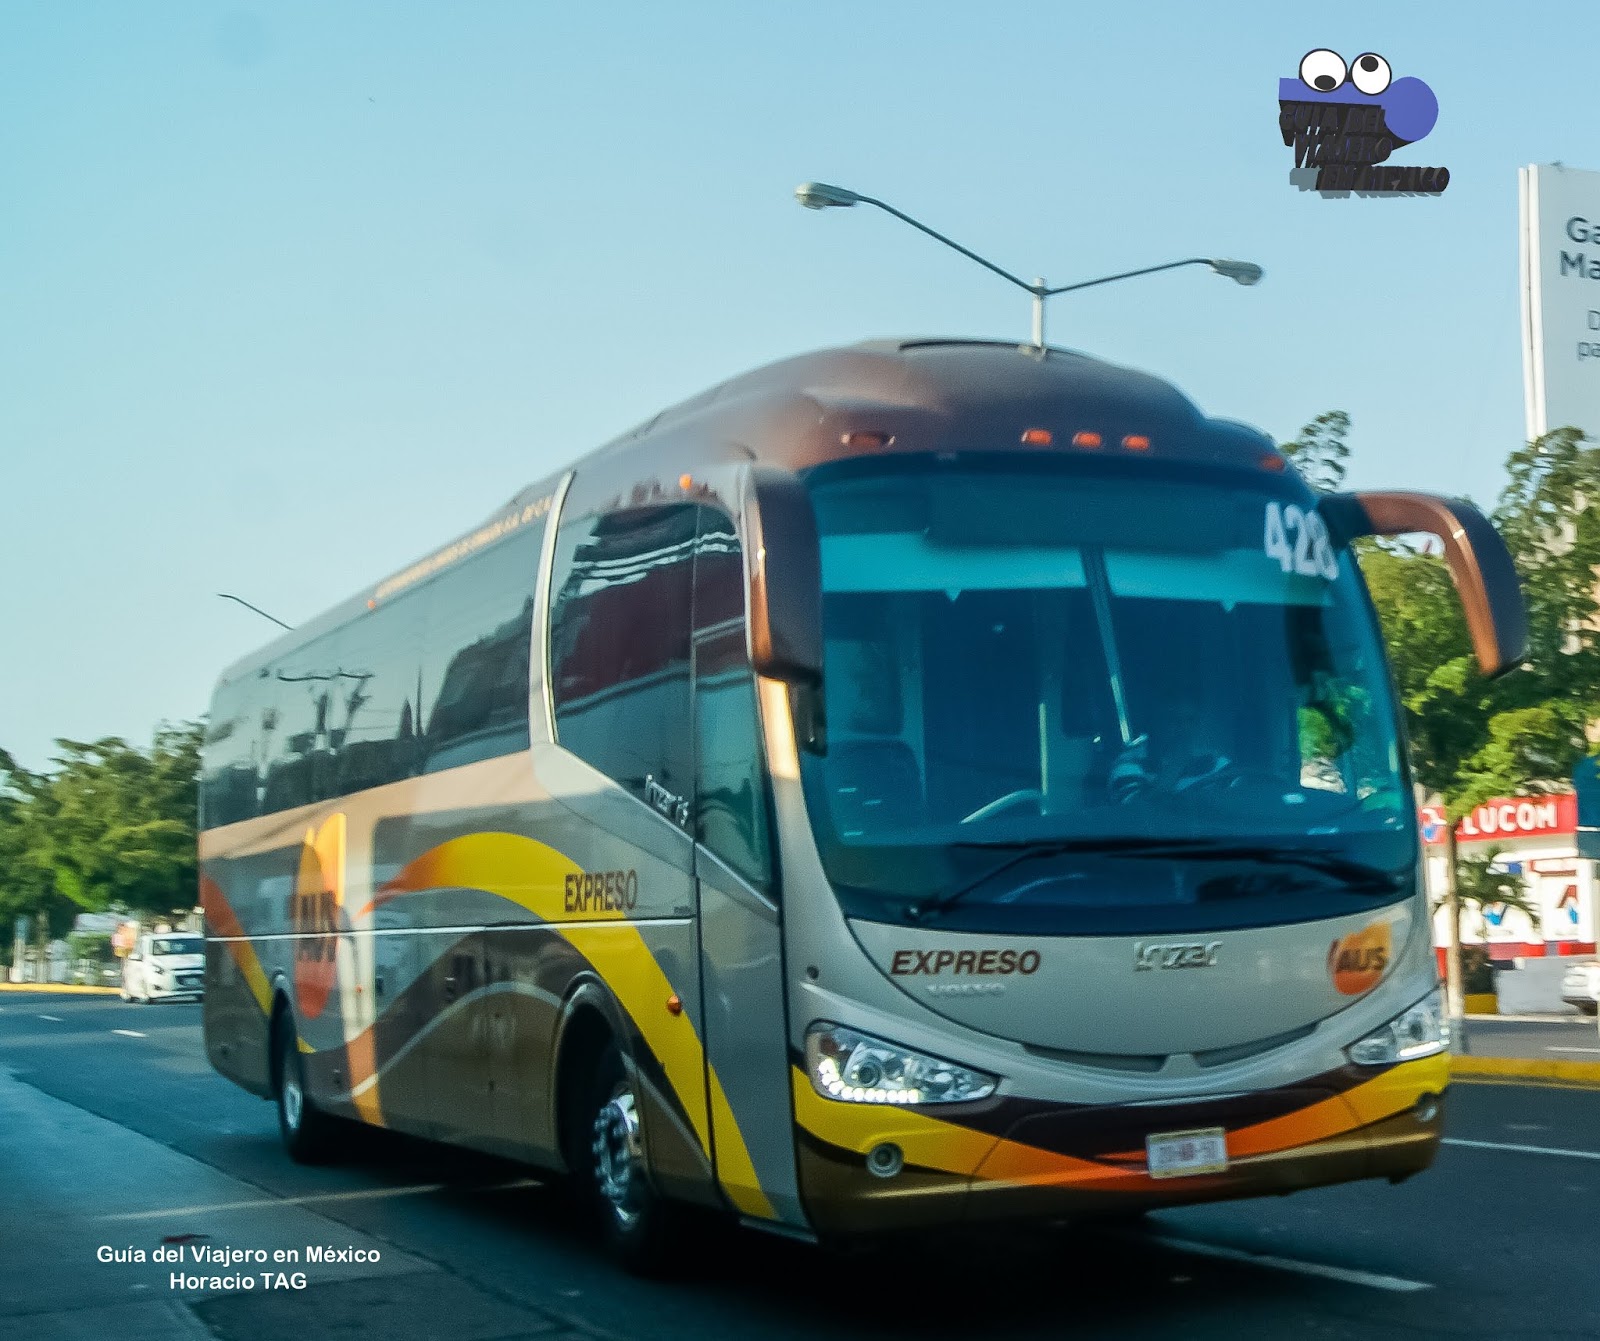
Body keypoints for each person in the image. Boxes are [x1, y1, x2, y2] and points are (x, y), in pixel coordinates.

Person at [1108, 690, 1232, 804]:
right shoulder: (1128, 766)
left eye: (1191, 720)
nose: (1185, 729)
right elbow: (1133, 815)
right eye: (1175, 720)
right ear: (1155, 724)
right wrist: (1178, 763)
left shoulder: (1218, 764)